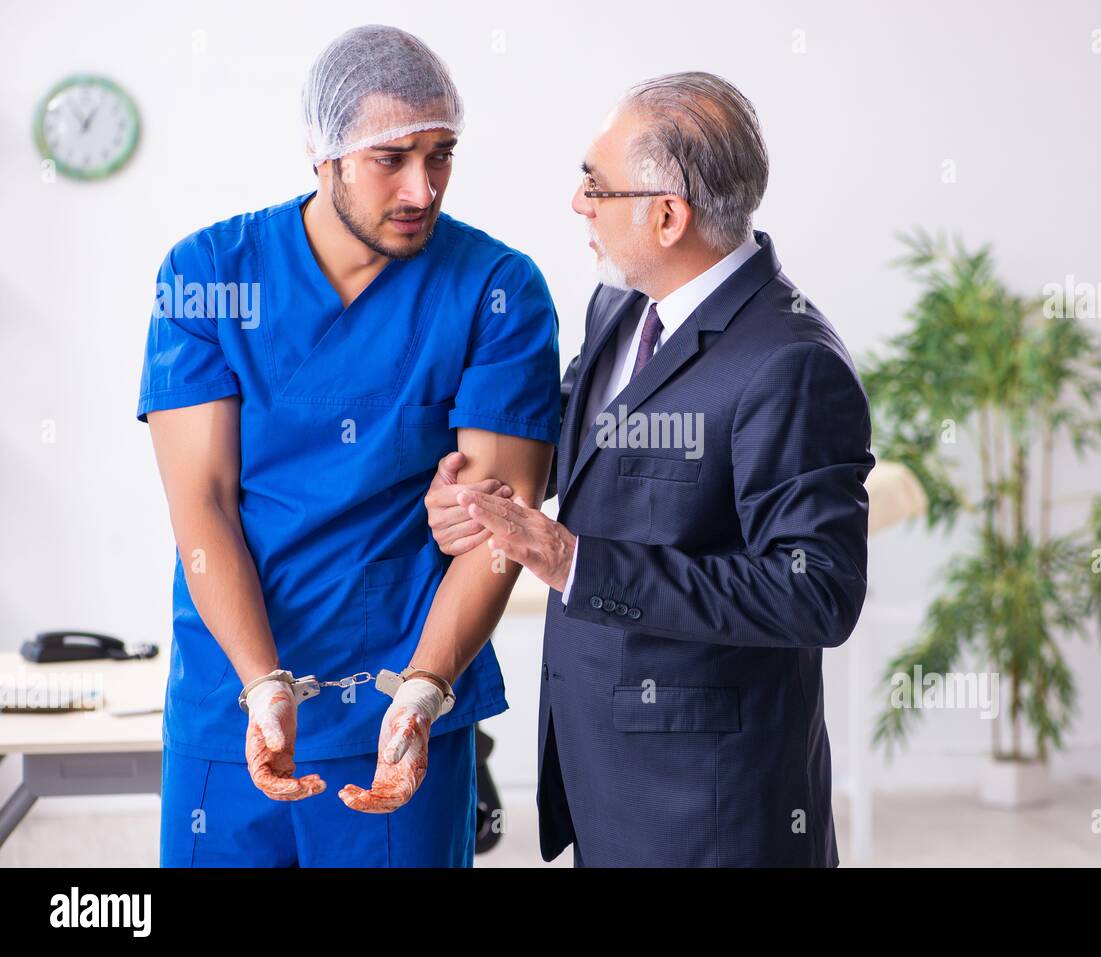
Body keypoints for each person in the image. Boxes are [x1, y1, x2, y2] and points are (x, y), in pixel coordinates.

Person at [137, 24, 559, 867]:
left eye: (441, 154)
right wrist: (262, 684)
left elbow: (497, 530)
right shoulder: (212, 275)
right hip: (234, 696)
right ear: (321, 154)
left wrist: (425, 690)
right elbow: (204, 505)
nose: (423, 187)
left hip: (402, 704)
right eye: (390, 158)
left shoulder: (496, 290)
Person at [428, 72, 874, 866]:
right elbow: (574, 448)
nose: (577, 204)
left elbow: (816, 593)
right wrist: (477, 493)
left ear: (667, 216)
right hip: (606, 774)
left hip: (711, 804)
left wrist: (575, 562)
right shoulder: (622, 303)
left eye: (595, 186)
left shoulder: (791, 363)